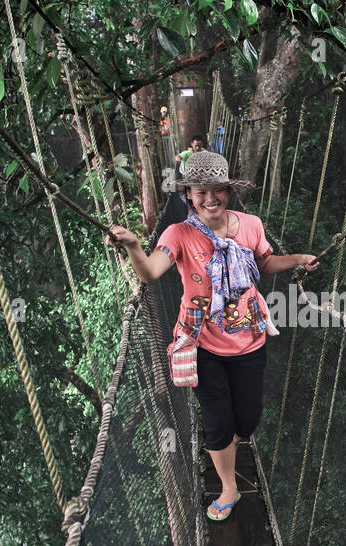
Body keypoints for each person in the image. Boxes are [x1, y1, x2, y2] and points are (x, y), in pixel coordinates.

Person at [106, 151, 318, 521]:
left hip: (249, 339)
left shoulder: (250, 224)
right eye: (199, 192)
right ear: (188, 195)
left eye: (216, 189)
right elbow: (152, 272)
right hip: (203, 344)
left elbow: (264, 263)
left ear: (227, 190)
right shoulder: (179, 234)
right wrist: (134, 247)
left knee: (247, 420)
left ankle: (231, 443)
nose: (209, 199)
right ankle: (229, 487)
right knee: (219, 423)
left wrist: (297, 258)